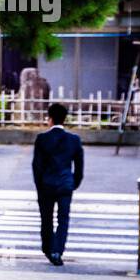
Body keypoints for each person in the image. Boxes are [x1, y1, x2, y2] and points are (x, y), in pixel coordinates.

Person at [32, 102, 84, 266]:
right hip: (65, 184)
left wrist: (39, 185)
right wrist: (73, 182)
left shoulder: (42, 139)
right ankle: (57, 251)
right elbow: (79, 166)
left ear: (50, 119)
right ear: (64, 119)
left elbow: (37, 166)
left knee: (46, 219)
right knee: (63, 219)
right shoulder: (74, 140)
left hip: (46, 185)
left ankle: (48, 248)